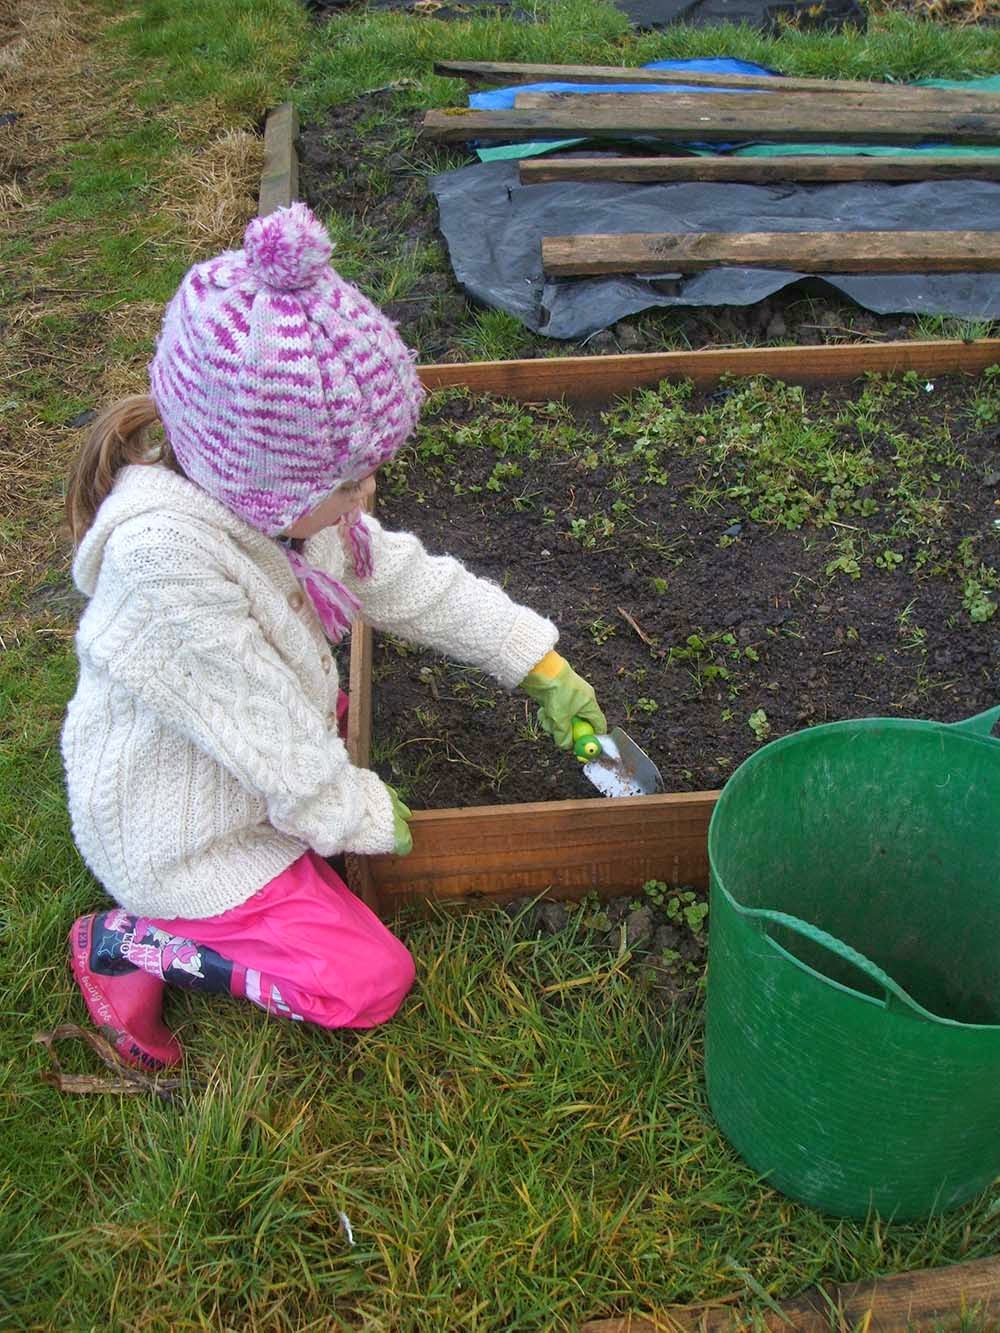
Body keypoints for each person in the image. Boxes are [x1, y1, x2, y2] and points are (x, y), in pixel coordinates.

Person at [62, 202, 606, 1071]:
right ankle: (129, 941)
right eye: (350, 481)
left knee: (330, 726)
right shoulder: (165, 565)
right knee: (366, 981)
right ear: (264, 479)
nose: (368, 492)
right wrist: (351, 811)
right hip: (185, 836)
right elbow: (262, 728)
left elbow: (396, 576)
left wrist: (529, 659)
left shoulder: (269, 505)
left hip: (247, 762)